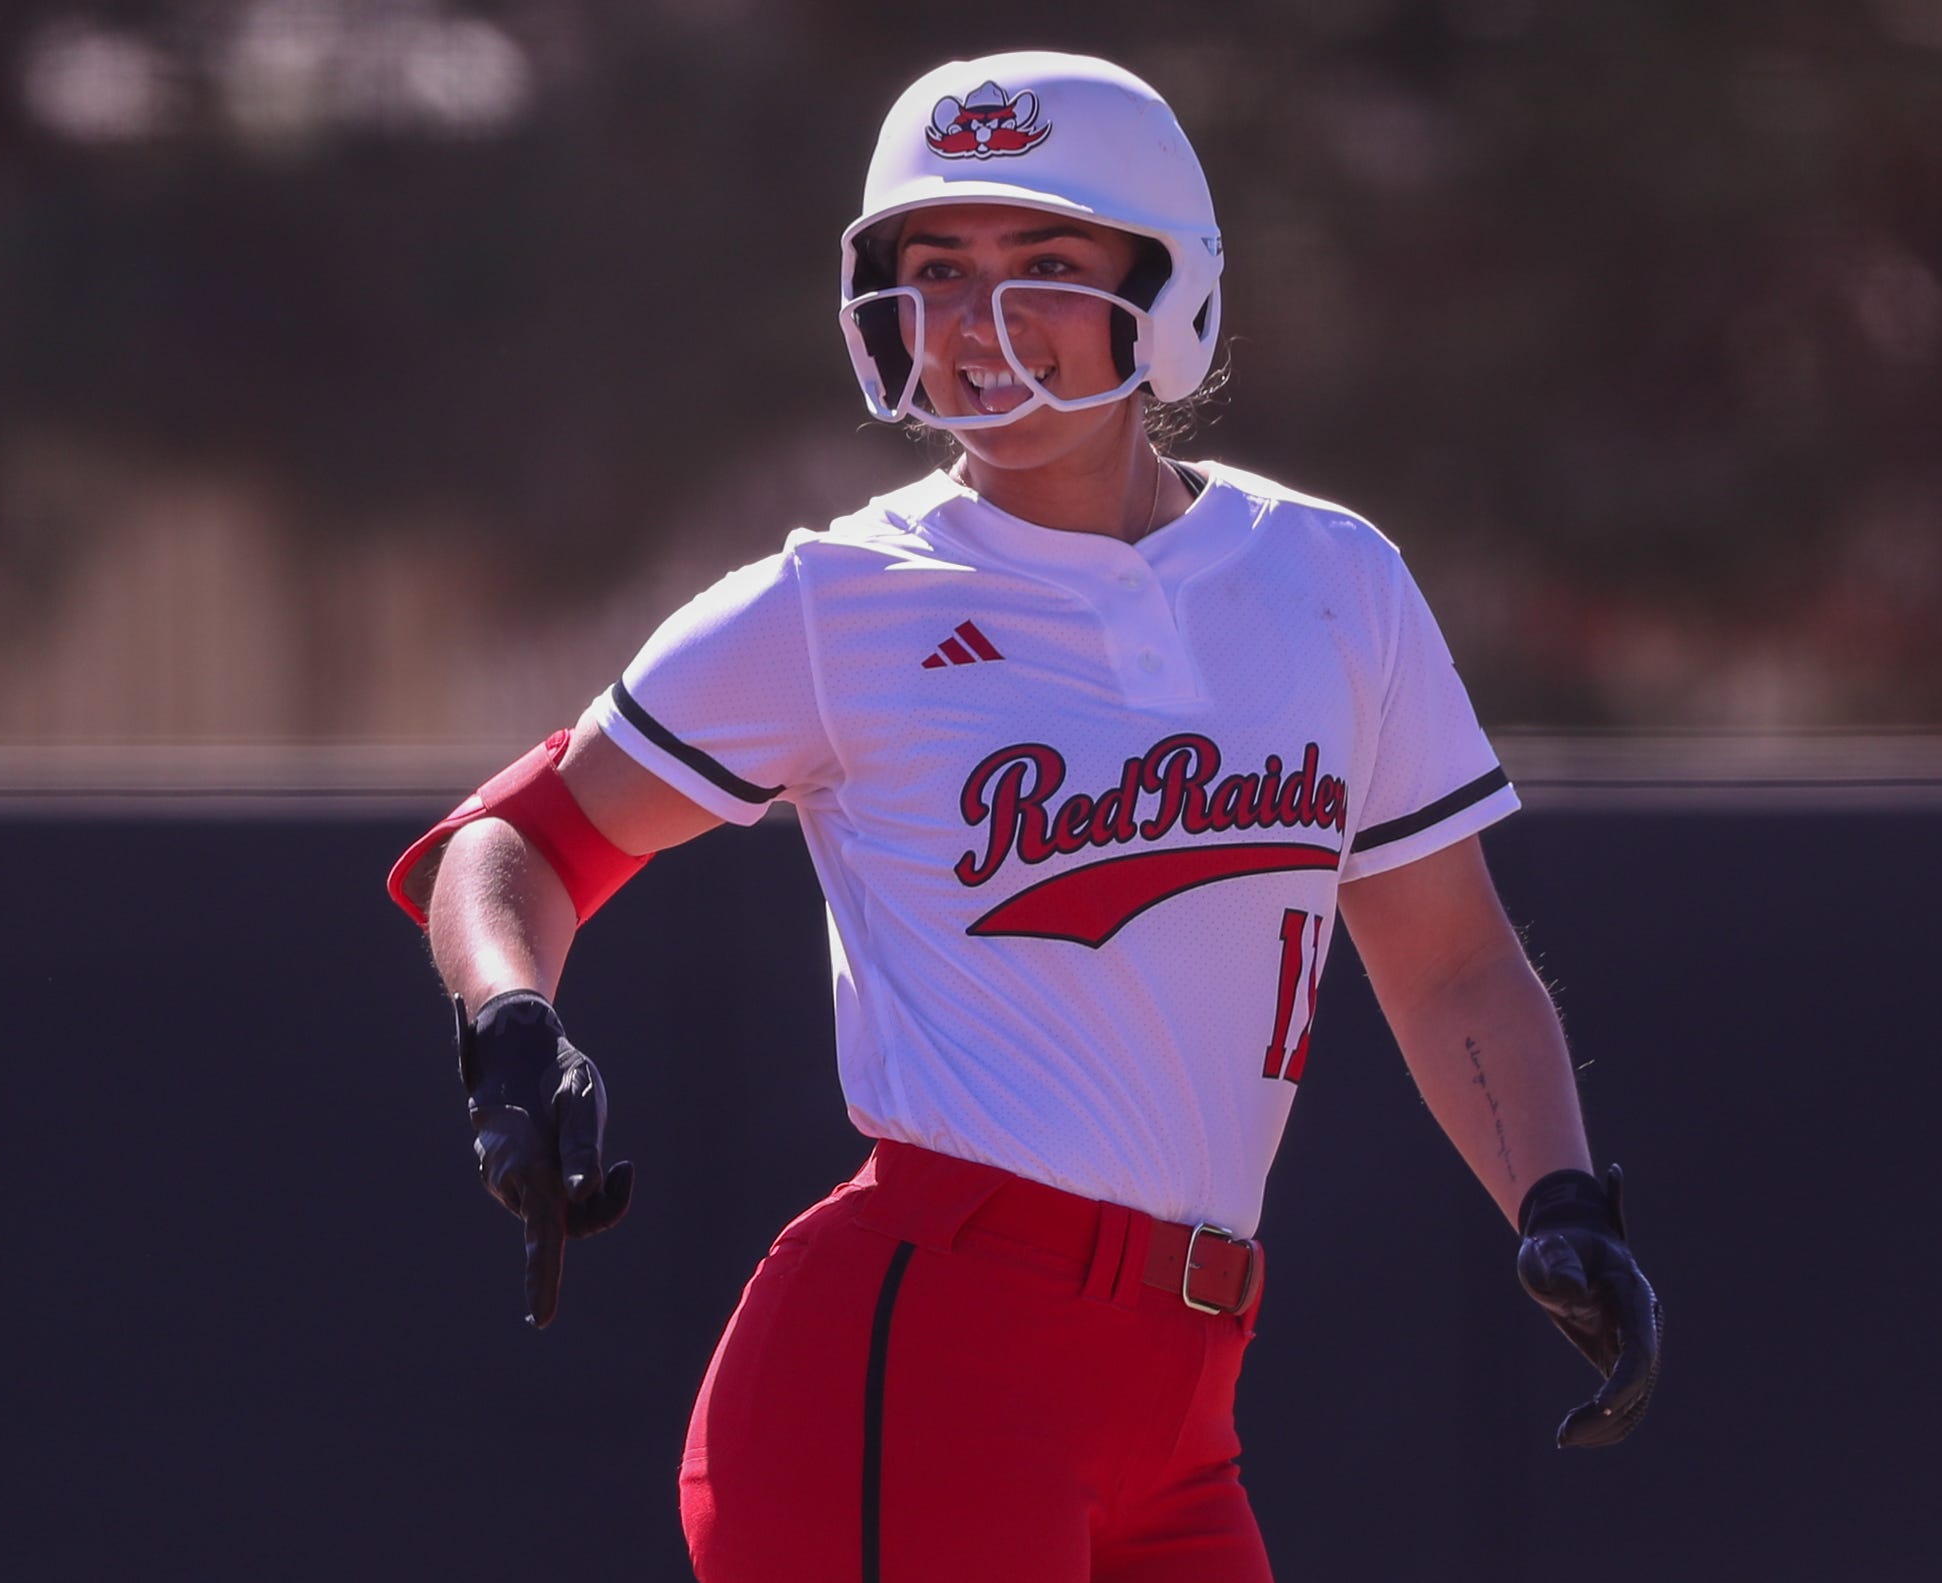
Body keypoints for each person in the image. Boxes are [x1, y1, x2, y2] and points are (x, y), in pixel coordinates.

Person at [388, 50, 1661, 1583]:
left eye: (1045, 265)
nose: (979, 325)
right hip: (922, 1360)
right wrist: (513, 1026)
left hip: (1182, 1399)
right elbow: (512, 842)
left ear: (1172, 285)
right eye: (935, 272)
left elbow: (1450, 957)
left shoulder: (1328, 575)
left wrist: (1560, 1193)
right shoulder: (834, 602)